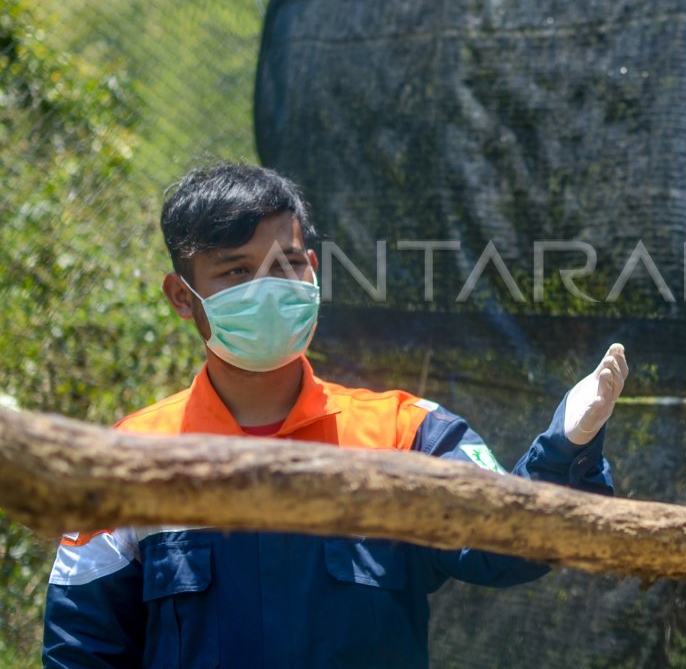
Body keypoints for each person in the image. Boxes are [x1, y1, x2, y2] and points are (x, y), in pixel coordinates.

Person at [42, 163, 628, 668]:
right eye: (236, 272)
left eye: (287, 263)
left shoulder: (406, 434)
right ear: (180, 295)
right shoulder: (129, 459)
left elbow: (506, 549)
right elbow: (81, 645)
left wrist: (563, 449)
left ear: (314, 271)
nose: (268, 288)